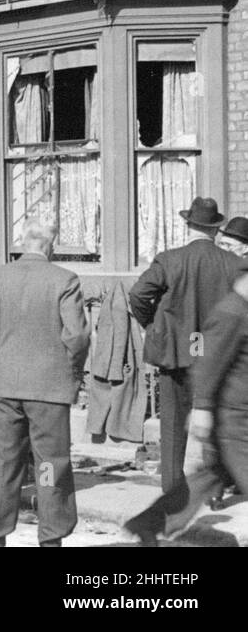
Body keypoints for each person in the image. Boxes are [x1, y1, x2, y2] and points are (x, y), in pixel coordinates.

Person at [0, 221, 89, 547]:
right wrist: (72, 374)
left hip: (4, 387)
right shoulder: (64, 279)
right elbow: (77, 336)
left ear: (21, 242)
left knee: (4, 463)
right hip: (48, 391)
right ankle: (50, 537)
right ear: (51, 245)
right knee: (49, 464)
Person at [128, 197, 243, 495]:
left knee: (172, 429)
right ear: (215, 229)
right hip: (216, 355)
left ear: (188, 224)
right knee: (213, 426)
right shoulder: (234, 264)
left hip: (176, 352)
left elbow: (139, 294)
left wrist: (153, 327)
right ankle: (215, 490)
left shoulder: (169, 259)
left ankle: (172, 494)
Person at [125, 267, 248, 543]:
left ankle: (148, 523)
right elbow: (208, 363)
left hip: (238, 414)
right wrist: (202, 408)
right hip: (235, 419)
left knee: (211, 475)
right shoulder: (232, 312)